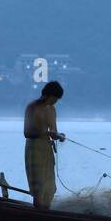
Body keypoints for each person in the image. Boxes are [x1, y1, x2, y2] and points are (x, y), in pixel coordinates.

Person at [23, 81, 67, 209]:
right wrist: (47, 132)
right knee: (38, 187)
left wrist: (60, 136)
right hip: (34, 149)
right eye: (55, 98)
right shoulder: (32, 107)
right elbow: (27, 132)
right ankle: (38, 213)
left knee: (50, 187)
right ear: (48, 95)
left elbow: (54, 131)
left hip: (47, 149)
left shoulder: (52, 110)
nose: (55, 102)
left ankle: (46, 212)